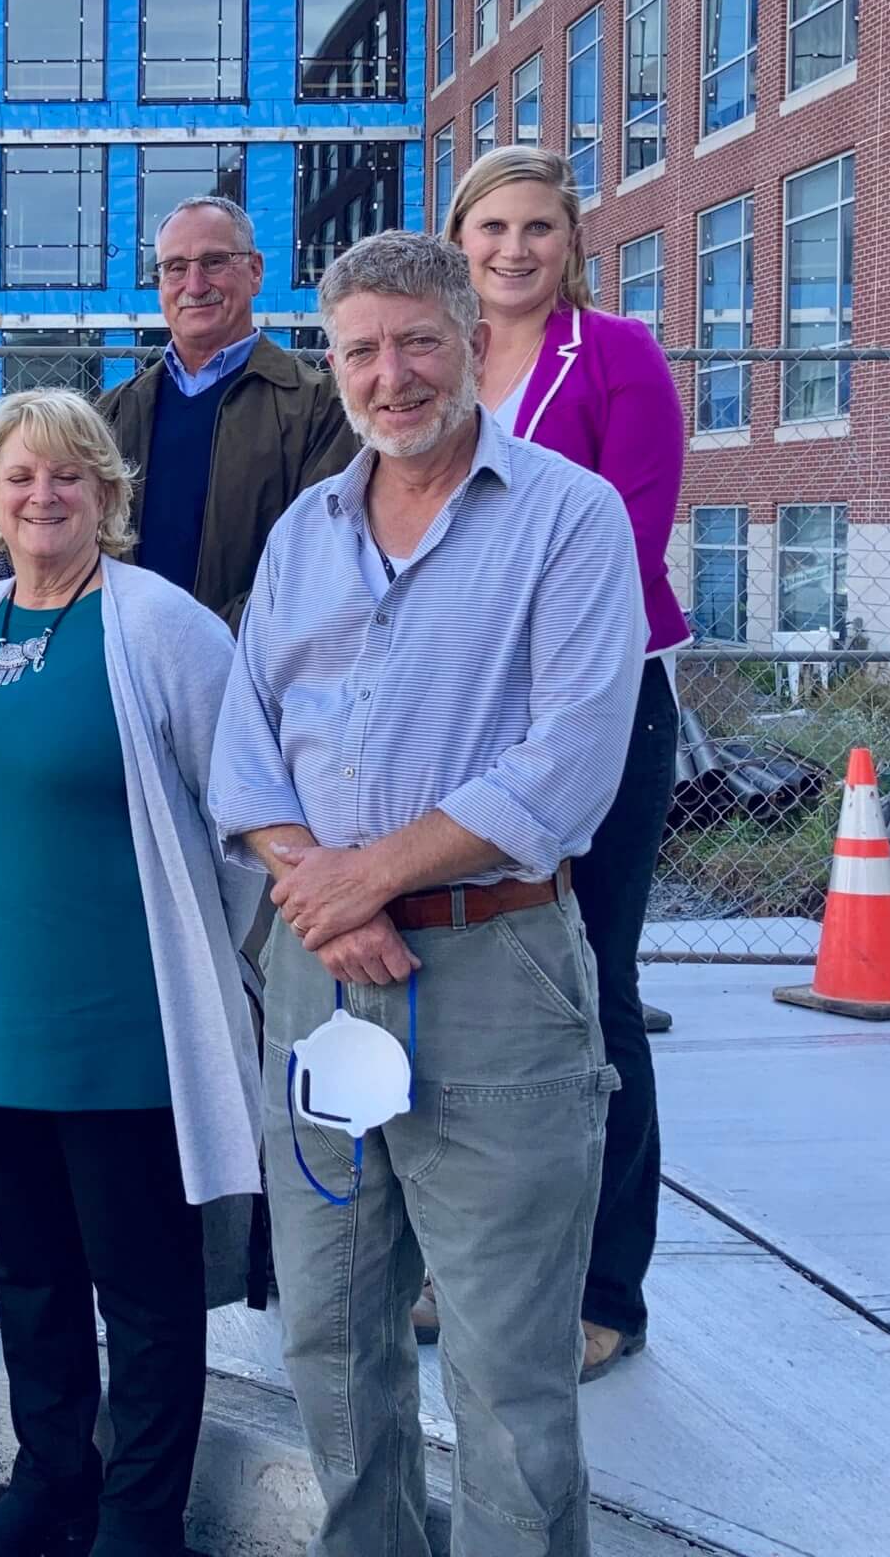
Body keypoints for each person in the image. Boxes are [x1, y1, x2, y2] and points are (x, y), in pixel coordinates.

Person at [211, 231, 642, 1557]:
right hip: (317, 979)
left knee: (510, 1381)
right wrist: (325, 895)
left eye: (416, 343)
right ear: (332, 362)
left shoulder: (569, 517)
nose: (390, 376)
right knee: (333, 1352)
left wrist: (364, 879)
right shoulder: (305, 532)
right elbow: (245, 745)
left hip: (496, 981)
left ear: (470, 343)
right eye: (361, 350)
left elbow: (566, 765)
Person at [0, 389, 264, 1557]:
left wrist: (206, 956)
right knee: (33, 1279)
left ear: (107, 496)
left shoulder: (162, 627)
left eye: (69, 476)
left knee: (146, 1295)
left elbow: (246, 819)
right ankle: (49, 1481)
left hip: (127, 1028)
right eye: (19, 479)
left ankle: (138, 1517)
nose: (42, 496)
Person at [447, 143, 689, 1379]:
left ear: (571, 244)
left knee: (589, 987)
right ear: (459, 238)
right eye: (491, 228)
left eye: (537, 228)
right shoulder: (435, 358)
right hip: (463, 711)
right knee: (477, 992)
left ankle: (607, 1291)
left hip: (595, 706)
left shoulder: (621, 360)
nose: (512, 251)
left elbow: (627, 542)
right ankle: (480, 1267)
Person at [99, 195, 357, 625]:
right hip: (127, 667)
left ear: (255, 271)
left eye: (215, 261)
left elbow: (319, 561)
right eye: (175, 268)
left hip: (253, 668)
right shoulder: (111, 414)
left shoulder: (321, 408)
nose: (195, 285)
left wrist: (210, 648)